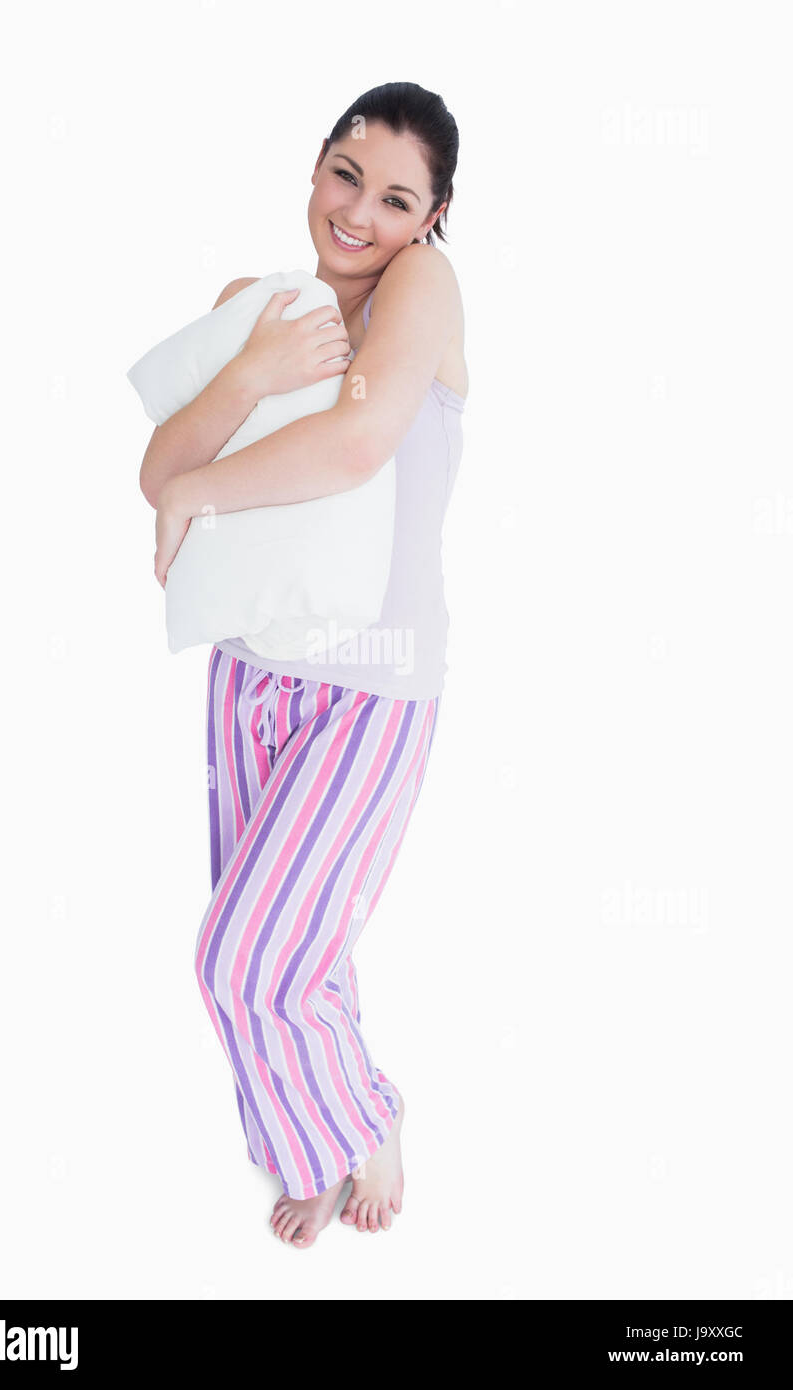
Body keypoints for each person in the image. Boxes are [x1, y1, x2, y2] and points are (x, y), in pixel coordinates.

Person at [140, 81, 468, 1248]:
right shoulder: (256, 303)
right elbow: (158, 464)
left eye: (394, 197)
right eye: (344, 175)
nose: (358, 214)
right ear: (314, 168)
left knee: (245, 955)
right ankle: (309, 1151)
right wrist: (252, 368)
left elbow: (356, 441)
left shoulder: (419, 288)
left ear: (429, 215)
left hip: (373, 680)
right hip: (250, 666)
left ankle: (363, 1113)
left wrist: (196, 487)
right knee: (290, 943)